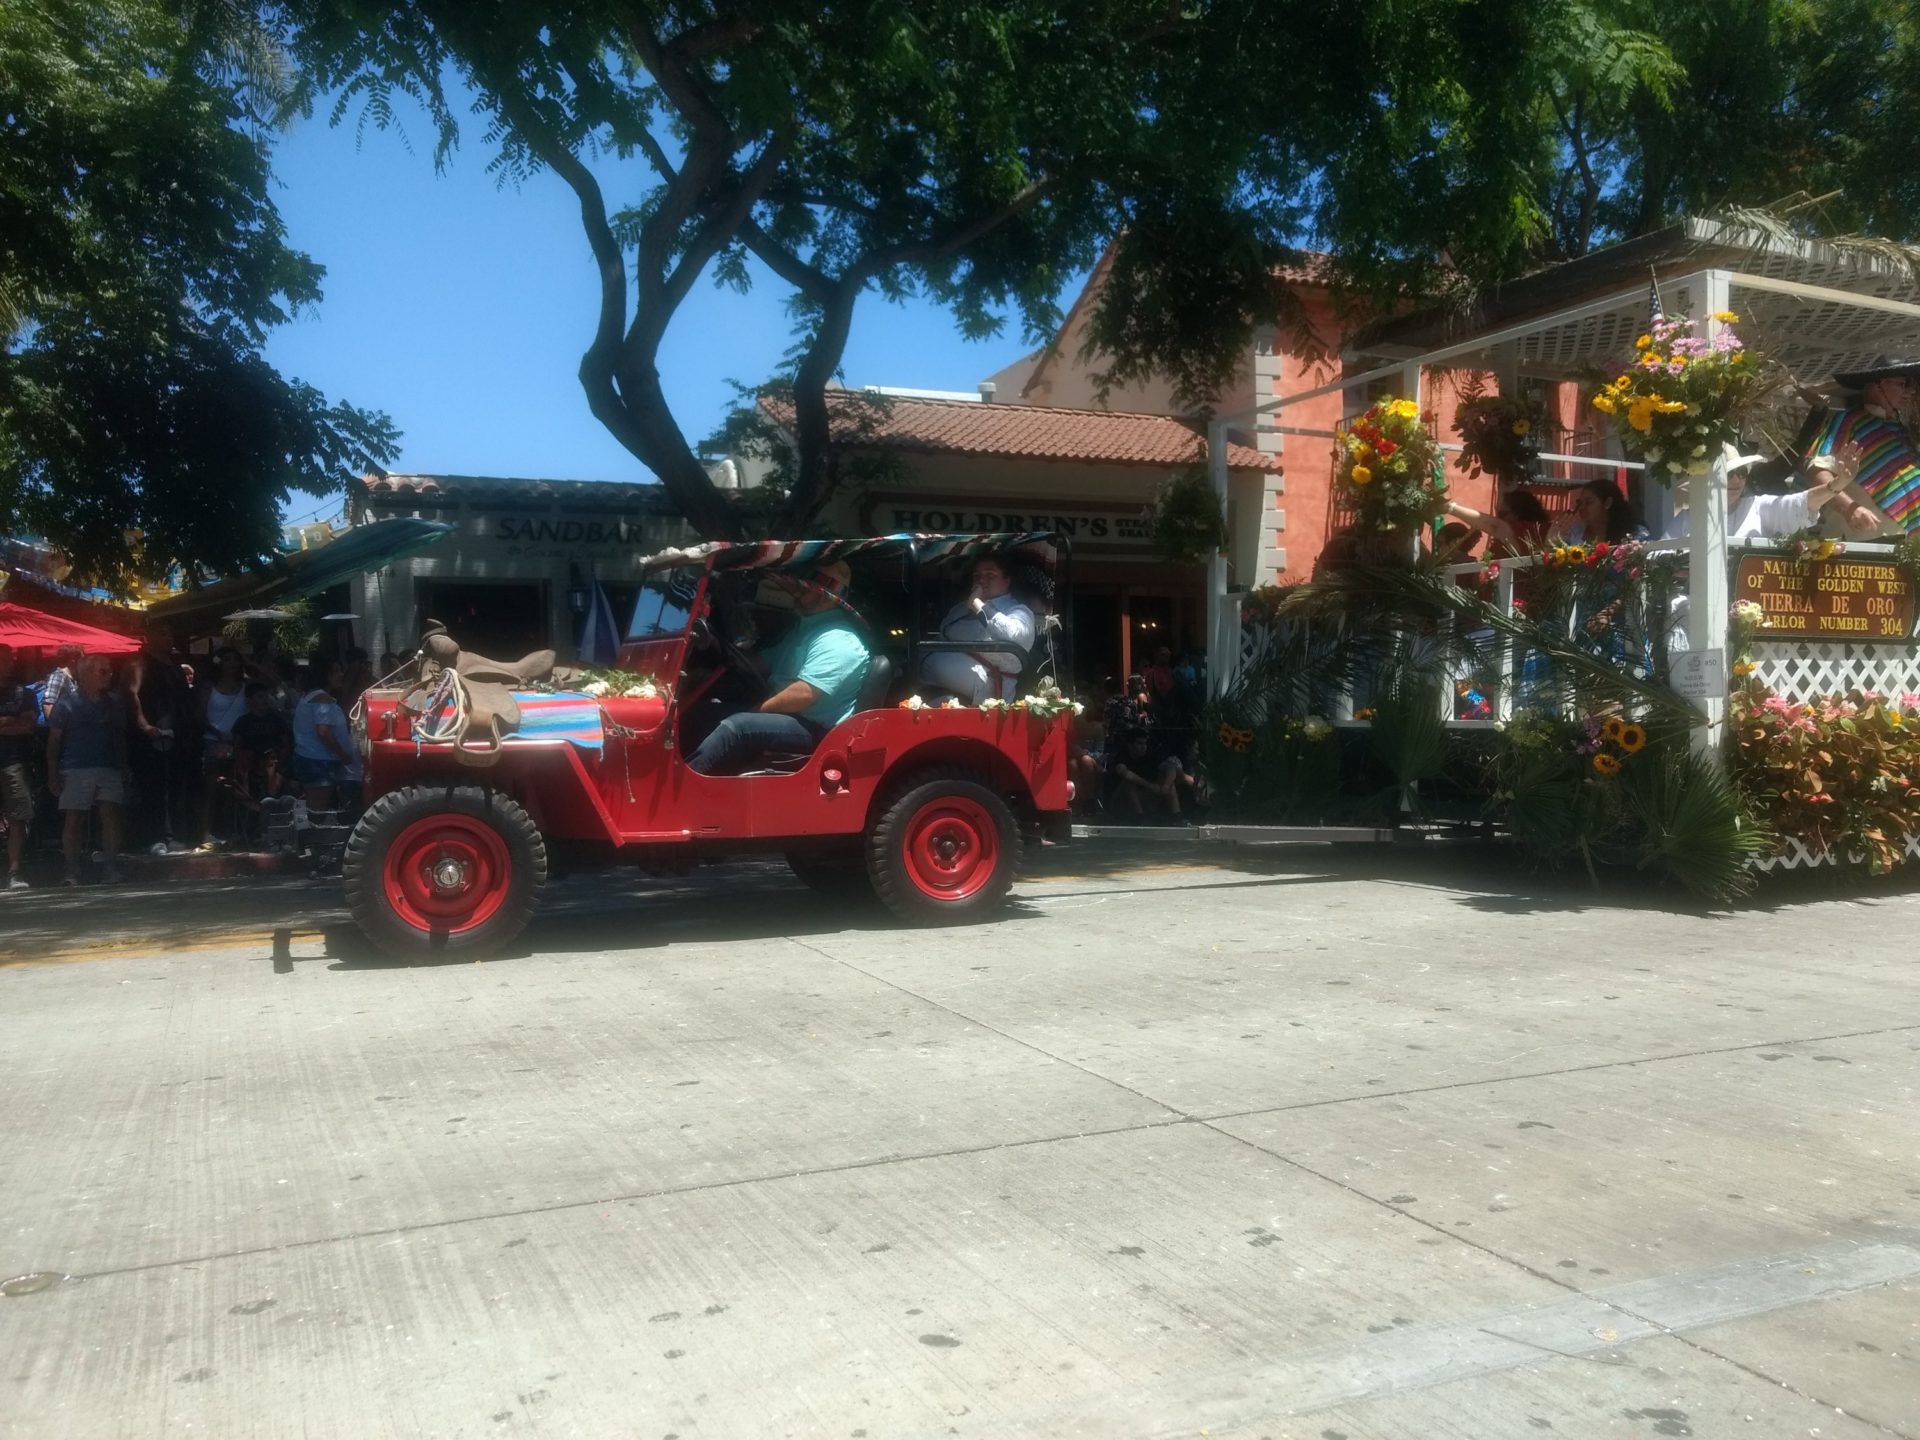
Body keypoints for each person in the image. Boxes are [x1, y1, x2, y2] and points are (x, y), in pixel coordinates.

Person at [688, 561, 872, 775]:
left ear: (824, 596)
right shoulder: (807, 629)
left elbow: (804, 694)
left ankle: (681, 796)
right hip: (789, 716)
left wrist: (756, 710)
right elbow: (760, 663)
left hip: (814, 727)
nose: (799, 592)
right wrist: (719, 648)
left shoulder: (840, 639)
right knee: (701, 714)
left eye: (807, 588)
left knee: (735, 728)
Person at [1802, 354, 1920, 533]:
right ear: (1878, 384)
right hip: (1866, 539)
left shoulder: (1901, 430)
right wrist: (1850, 508)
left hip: (1905, 543)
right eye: (1903, 384)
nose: (1909, 391)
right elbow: (1816, 472)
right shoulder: (1848, 421)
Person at [1662, 444, 1874, 539]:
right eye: (1728, 474)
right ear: (1707, 480)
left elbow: (1802, 502)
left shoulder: (1758, 507)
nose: (1737, 479)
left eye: (1742, 472)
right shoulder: (1687, 519)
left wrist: (1838, 484)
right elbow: (1658, 558)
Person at [48, 653, 127, 885]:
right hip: (75, 767)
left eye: (109, 671)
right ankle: (71, 871)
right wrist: (52, 774)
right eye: (103, 671)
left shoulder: (113, 702)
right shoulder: (65, 703)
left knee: (110, 814)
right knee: (74, 818)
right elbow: (53, 742)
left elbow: (119, 737)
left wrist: (124, 765)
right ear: (85, 673)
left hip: (109, 766)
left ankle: (111, 867)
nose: (109, 675)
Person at [920, 554, 1035, 703]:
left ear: (1007, 580)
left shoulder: (1019, 610)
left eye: (990, 574)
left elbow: (1016, 637)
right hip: (939, 687)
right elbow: (943, 633)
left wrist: (978, 605)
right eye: (977, 575)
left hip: (989, 690)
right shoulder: (960, 609)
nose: (981, 580)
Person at [291, 661, 355, 812]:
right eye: (337, 671)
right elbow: (324, 732)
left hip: (312, 759)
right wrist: (343, 755)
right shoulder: (322, 699)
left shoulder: (310, 695)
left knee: (315, 806)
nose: (341, 674)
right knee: (316, 810)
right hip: (319, 764)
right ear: (326, 676)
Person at [0, 644, 37, 888]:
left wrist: (6, 723)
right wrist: (10, 722)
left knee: (18, 817)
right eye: (5, 658)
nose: (10, 662)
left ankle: (14, 872)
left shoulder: (24, 694)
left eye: (10, 658)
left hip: (14, 761)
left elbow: (29, 727)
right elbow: (19, 724)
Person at [1445, 489, 1553, 554]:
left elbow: (1498, 526)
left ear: (1518, 513)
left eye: (1502, 514)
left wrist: (1450, 508)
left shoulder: (1535, 531)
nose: (1498, 518)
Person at [1560, 480, 1646, 545]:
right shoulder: (1574, 534)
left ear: (1607, 503)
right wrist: (1552, 538)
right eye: (1580, 503)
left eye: (1589, 502)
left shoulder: (1635, 533)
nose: (1582, 508)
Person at [41, 642, 82, 721]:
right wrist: (56, 727)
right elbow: (48, 704)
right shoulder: (58, 676)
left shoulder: (75, 679)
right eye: (81, 657)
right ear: (73, 659)